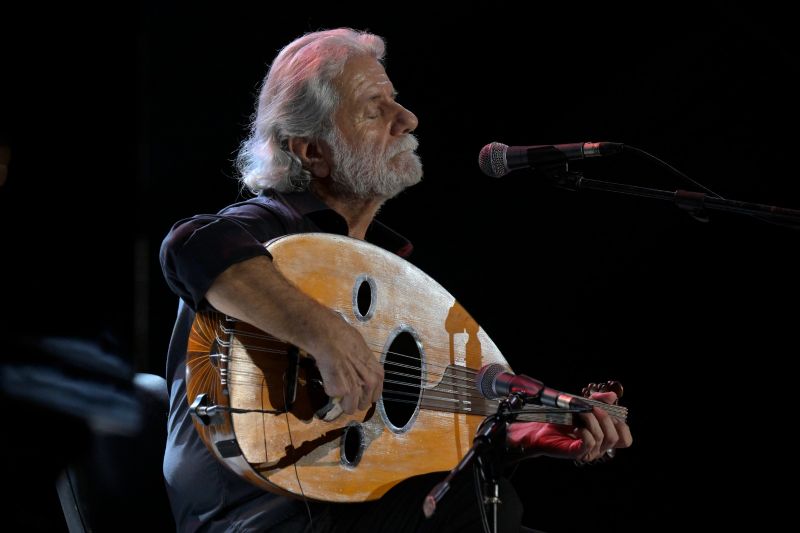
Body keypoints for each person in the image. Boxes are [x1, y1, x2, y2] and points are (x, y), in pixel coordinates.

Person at [160, 28, 632, 533]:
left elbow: (395, 445)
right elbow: (190, 244)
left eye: (396, 101)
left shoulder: (387, 269)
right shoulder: (269, 228)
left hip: (351, 507)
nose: (406, 119)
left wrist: (516, 431)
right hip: (255, 516)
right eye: (373, 107)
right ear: (311, 151)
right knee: (469, 511)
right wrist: (325, 332)